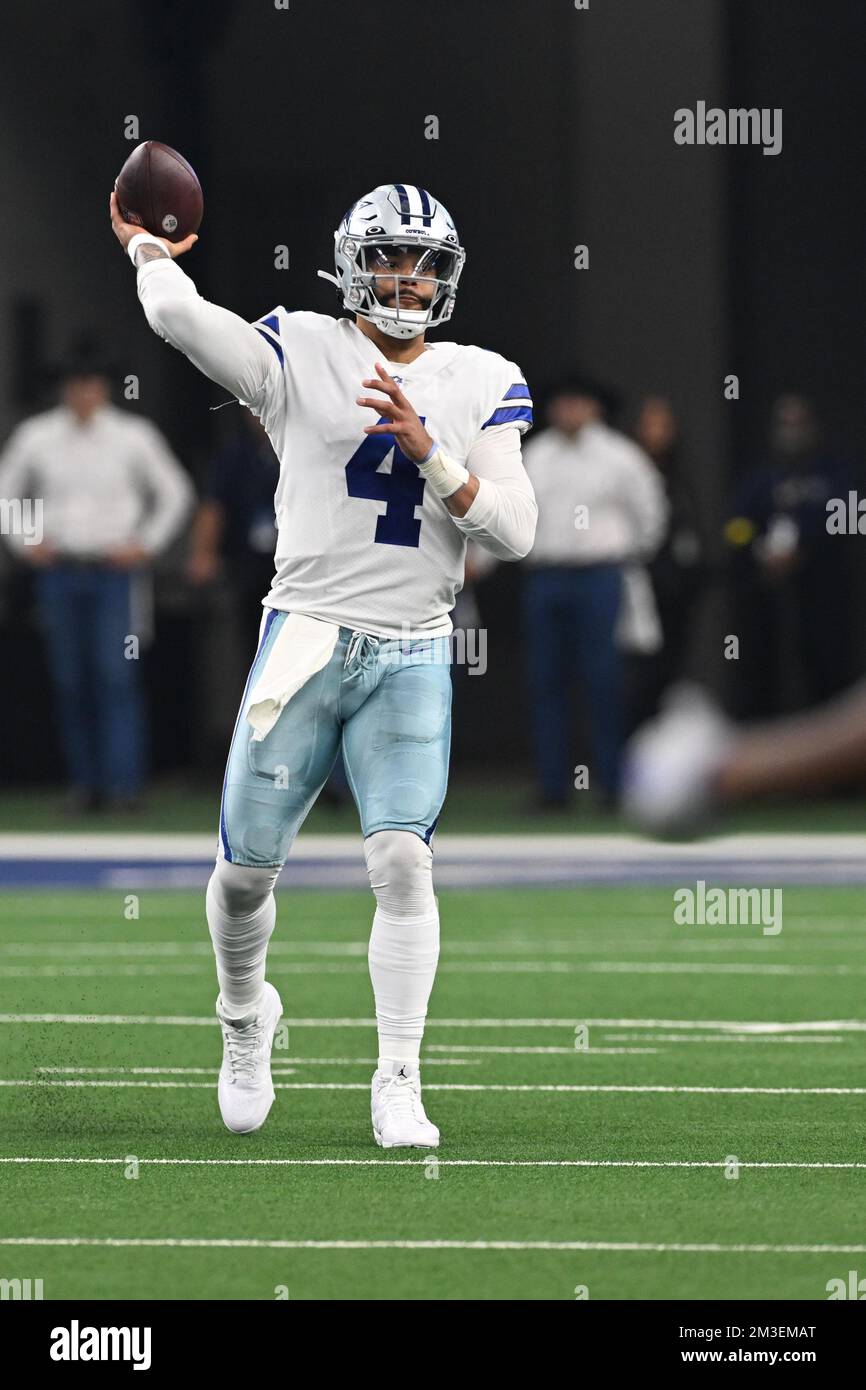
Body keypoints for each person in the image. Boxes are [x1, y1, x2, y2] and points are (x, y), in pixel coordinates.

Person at [110, 181, 537, 1148]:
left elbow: (514, 528)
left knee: (401, 861)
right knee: (244, 877)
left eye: (427, 263)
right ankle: (243, 1015)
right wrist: (146, 247)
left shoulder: (480, 377)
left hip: (414, 644)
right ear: (352, 262)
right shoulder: (300, 345)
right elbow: (177, 315)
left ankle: (397, 1078)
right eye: (390, 257)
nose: (409, 279)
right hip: (305, 634)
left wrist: (434, 455)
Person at [0, 349, 192, 812]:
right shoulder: (37, 436)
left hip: (114, 575)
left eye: (91, 383)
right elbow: (8, 494)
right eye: (75, 383)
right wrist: (29, 543)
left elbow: (175, 492)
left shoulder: (131, 436)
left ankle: (125, 786)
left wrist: (145, 544)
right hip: (61, 572)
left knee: (114, 676)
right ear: (65, 388)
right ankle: (87, 786)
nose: (83, 392)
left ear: (104, 388)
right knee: (71, 679)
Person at [521, 375, 667, 808]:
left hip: (600, 577)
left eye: (578, 403)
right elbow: (513, 511)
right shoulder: (536, 456)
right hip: (546, 576)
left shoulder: (620, 457)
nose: (569, 412)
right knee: (546, 681)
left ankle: (612, 785)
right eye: (562, 403)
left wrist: (624, 555)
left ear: (595, 408)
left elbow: (651, 514)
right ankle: (552, 788)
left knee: (604, 681)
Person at [723, 394, 856, 719]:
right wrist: (756, 548)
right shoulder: (761, 479)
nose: (791, 432)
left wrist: (806, 545)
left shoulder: (834, 475)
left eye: (798, 423)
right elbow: (734, 527)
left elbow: (851, 519)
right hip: (769, 597)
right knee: (764, 676)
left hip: (822, 596)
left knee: (825, 676)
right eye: (785, 424)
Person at [627, 395, 706, 732]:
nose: (657, 432)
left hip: (676, 596)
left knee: (669, 671)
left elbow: (689, 536)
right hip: (637, 592)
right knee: (635, 673)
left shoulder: (680, 480)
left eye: (664, 425)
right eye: (650, 424)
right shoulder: (627, 473)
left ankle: (659, 752)